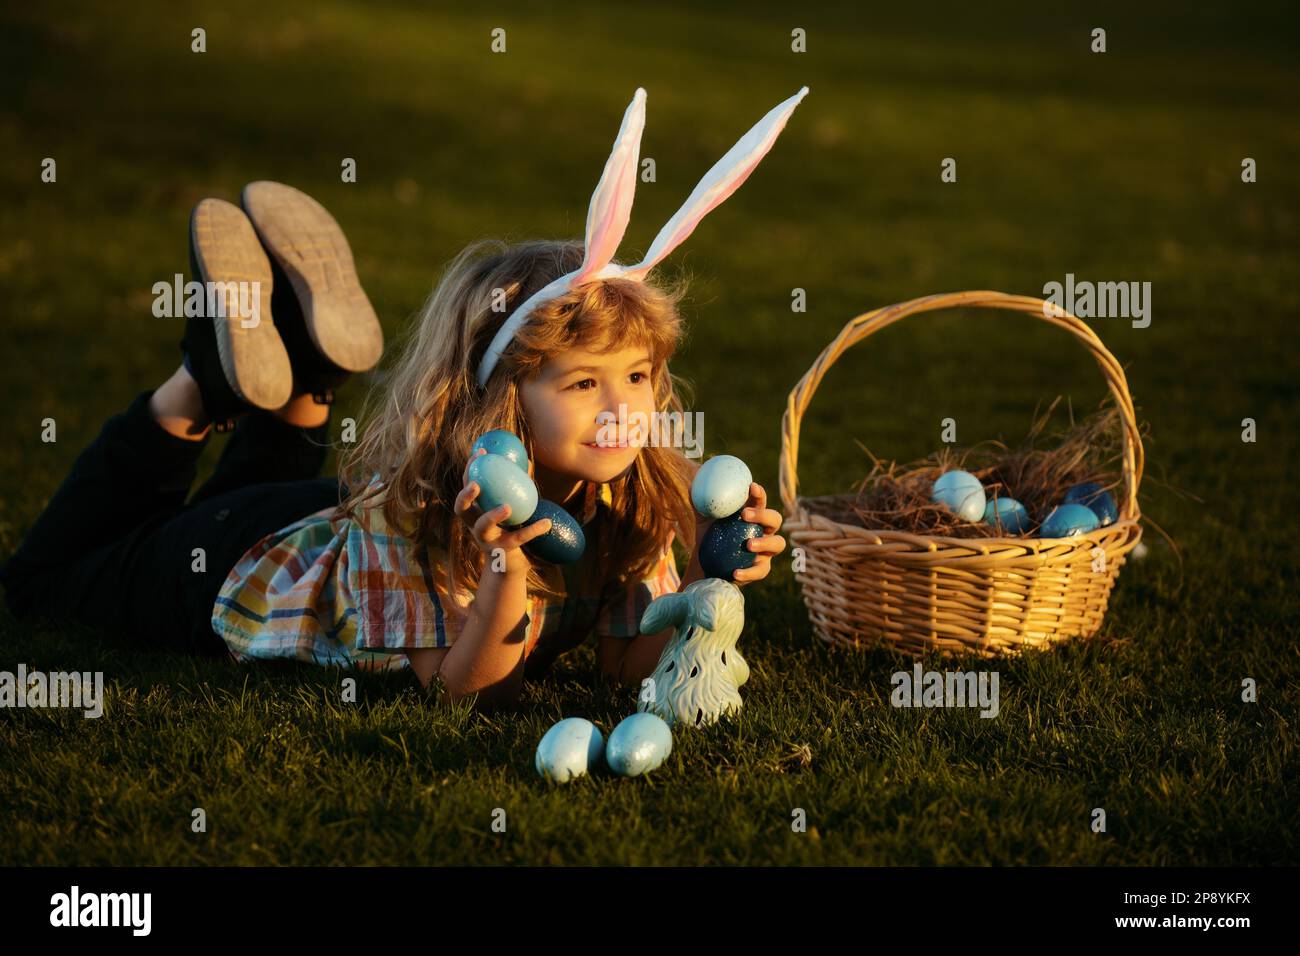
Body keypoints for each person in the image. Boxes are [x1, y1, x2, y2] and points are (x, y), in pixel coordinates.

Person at [2, 86, 804, 710]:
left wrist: (707, 572)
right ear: (502, 401)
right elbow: (475, 694)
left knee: (240, 494)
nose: (623, 406)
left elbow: (626, 669)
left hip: (301, 508)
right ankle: (200, 387)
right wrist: (506, 567)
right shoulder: (426, 522)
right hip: (218, 565)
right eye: (583, 382)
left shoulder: (643, 500)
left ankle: (307, 374)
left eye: (636, 377)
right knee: (41, 585)